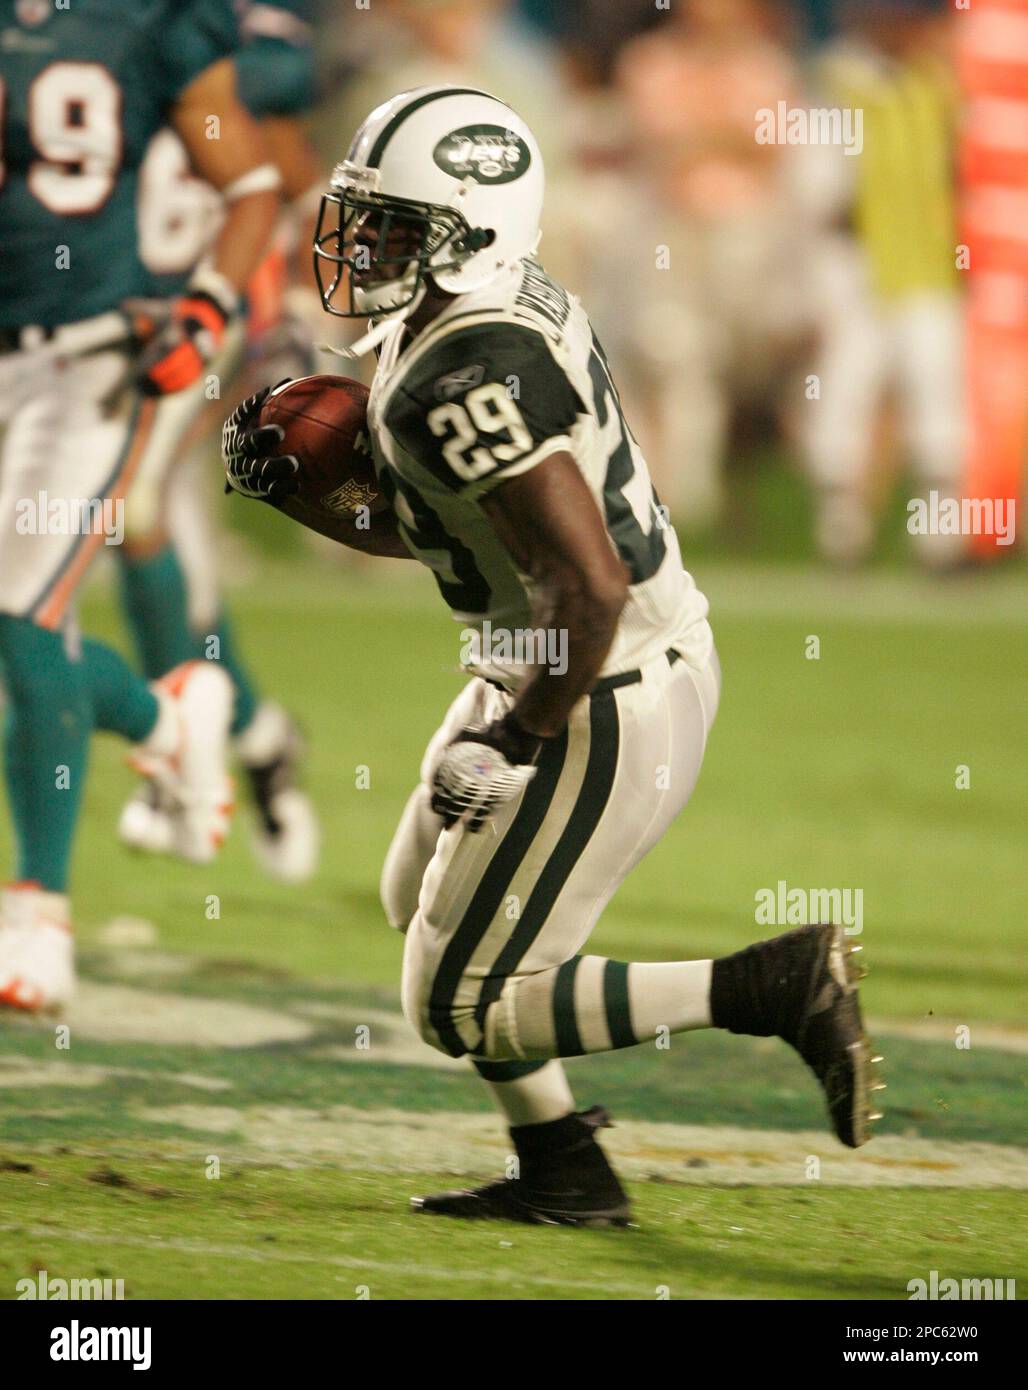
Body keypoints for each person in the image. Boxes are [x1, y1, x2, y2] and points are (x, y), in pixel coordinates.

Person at [223, 86, 881, 1226]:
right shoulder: (477, 311)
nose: (363, 247)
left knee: (459, 1002)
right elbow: (466, 532)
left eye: (396, 228)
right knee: (416, 901)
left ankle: (773, 983)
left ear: (470, 227)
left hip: (599, 683)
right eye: (366, 219)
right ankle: (565, 1171)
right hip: (557, 651)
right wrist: (324, 501)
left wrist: (519, 735)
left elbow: (587, 580)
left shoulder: (459, 370)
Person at [0, 0, 280, 1009]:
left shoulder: (156, 21)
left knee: (24, 616)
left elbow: (249, 185)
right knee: (25, 625)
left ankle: (39, 917)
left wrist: (205, 309)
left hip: (85, 369)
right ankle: (161, 717)